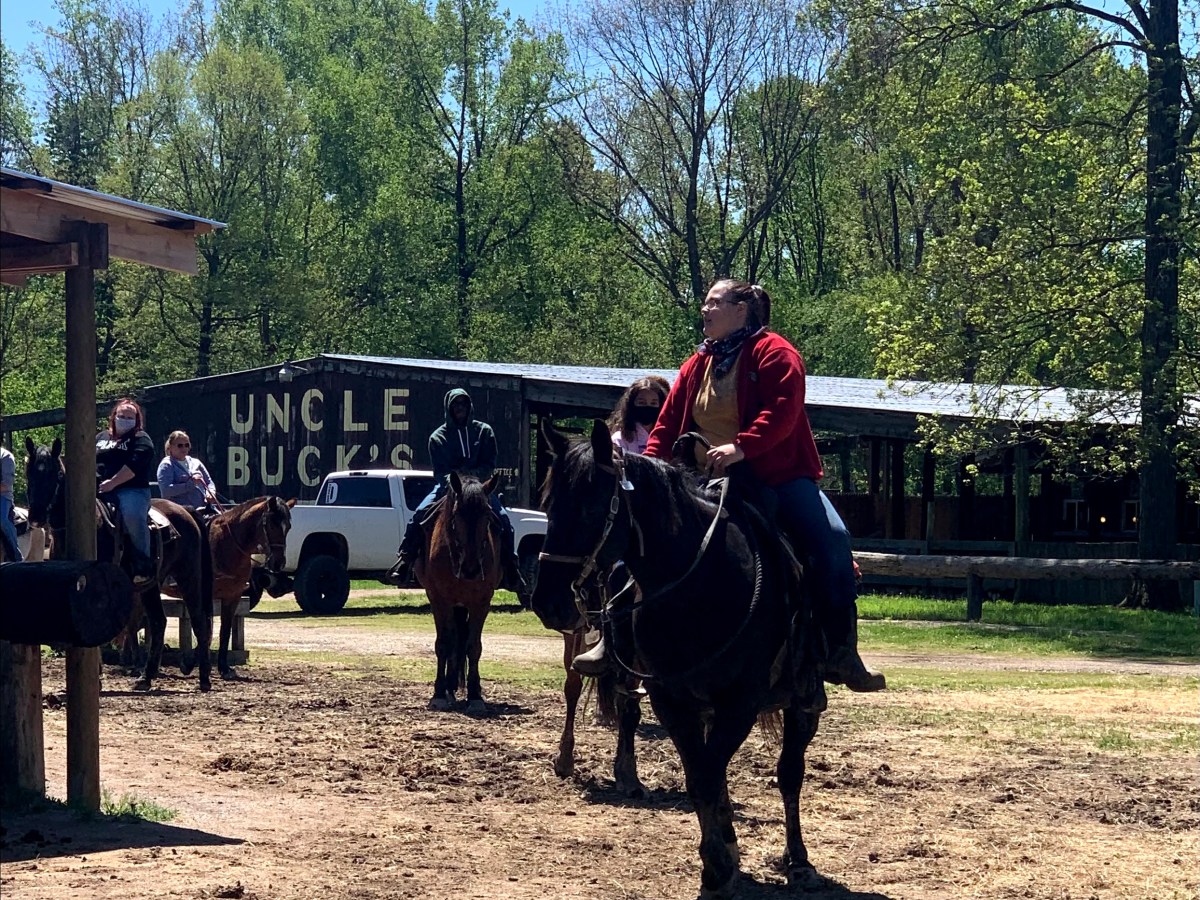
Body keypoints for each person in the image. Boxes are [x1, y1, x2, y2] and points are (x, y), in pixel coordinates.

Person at [574, 279, 885, 693]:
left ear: (742, 310)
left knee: (833, 540)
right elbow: (667, 423)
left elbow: (783, 411)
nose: (705, 309)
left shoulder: (777, 352)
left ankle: (842, 649)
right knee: (636, 536)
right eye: (704, 302)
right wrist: (648, 465)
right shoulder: (697, 363)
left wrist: (742, 447)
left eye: (714, 302)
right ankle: (614, 641)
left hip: (778, 476)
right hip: (704, 478)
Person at [387, 388, 529, 602]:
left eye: (463, 404)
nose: (460, 408)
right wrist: (456, 484)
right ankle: (404, 561)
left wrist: (474, 481)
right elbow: (440, 471)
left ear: (469, 406)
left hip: (480, 488)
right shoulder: (438, 437)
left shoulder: (484, 432)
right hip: (449, 488)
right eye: (456, 405)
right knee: (418, 516)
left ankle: (511, 568)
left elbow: (489, 463)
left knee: (505, 522)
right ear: (449, 408)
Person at [96, 398, 156, 584]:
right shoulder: (100, 437)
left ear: (137, 420)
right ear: (113, 417)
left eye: (130, 417)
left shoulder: (141, 439)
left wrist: (112, 483)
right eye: (121, 416)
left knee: (132, 515)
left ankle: (142, 564)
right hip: (99, 489)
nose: (124, 419)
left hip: (131, 489)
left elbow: (133, 467)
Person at [157, 431, 221, 511]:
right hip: (180, 512)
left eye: (186, 445)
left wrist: (211, 492)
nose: (184, 448)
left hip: (205, 508)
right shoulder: (166, 465)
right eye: (180, 445)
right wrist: (190, 484)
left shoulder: (196, 462)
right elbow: (166, 491)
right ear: (170, 447)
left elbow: (209, 482)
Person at [608, 375, 670, 455]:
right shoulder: (619, 439)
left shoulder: (667, 438)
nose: (648, 407)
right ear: (631, 404)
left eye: (653, 403)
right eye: (641, 403)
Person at [0, 424, 21, 561]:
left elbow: (6, 484)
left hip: (3, 498)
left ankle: (15, 554)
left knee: (1, 519)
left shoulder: (6, 457)